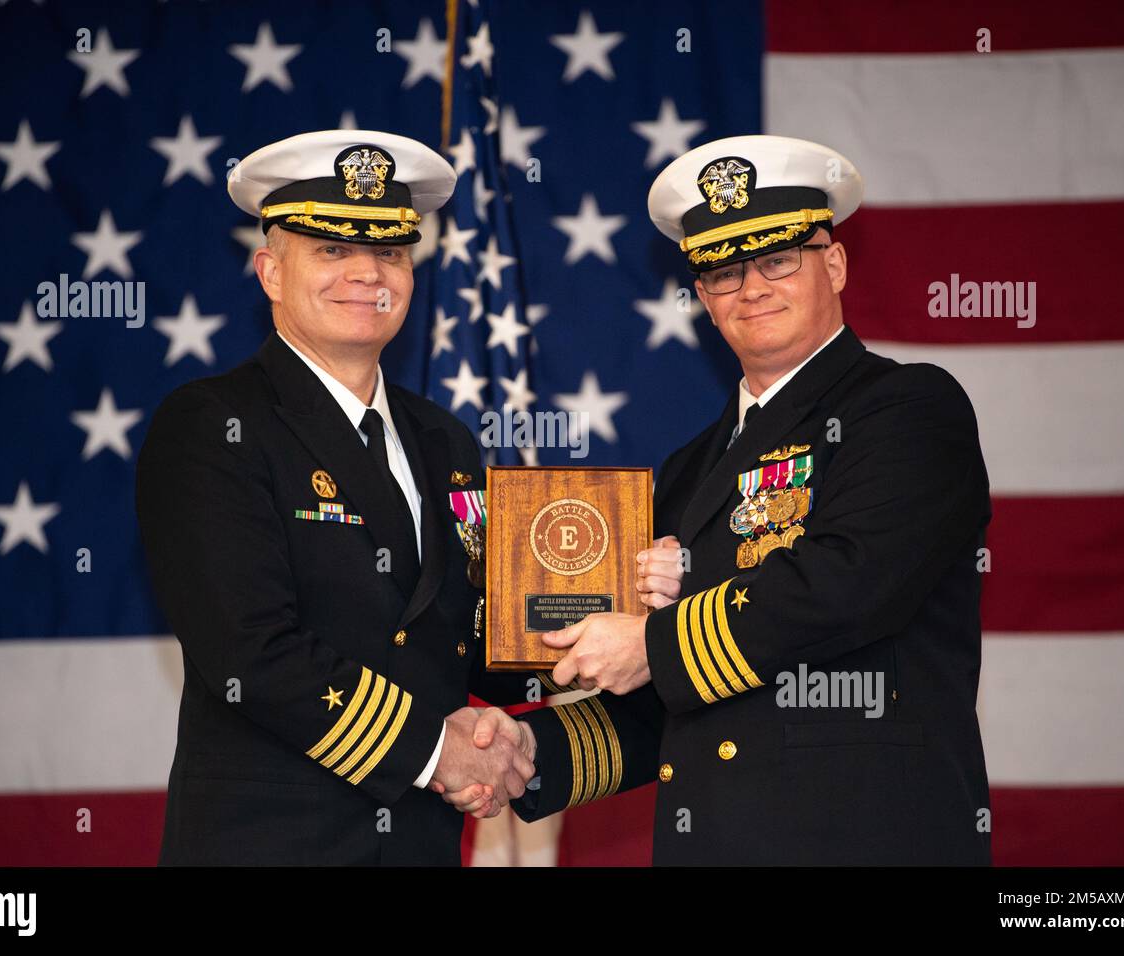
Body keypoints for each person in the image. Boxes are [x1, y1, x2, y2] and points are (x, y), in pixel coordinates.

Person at [441, 135, 993, 865]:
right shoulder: (689, 469)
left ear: (834, 263)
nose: (752, 288)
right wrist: (525, 749)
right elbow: (657, 700)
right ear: (701, 295)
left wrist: (651, 643)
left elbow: (848, 585)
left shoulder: (908, 407)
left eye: (777, 259)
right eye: (724, 271)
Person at [136, 130, 536, 865]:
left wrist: (591, 617)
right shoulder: (211, 426)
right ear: (270, 274)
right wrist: (435, 753)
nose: (366, 272)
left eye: (389, 251)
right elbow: (251, 654)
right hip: (269, 847)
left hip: (419, 843)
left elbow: (467, 641)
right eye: (329, 249)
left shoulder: (443, 441)